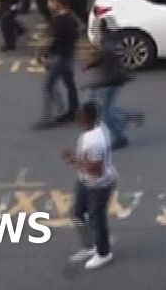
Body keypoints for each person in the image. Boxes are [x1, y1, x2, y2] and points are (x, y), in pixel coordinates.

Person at [62, 100, 116, 270]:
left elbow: (96, 171)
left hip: (99, 185)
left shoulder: (94, 142)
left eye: (79, 116)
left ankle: (103, 253)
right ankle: (90, 245)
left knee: (96, 218)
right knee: (77, 213)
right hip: (85, 181)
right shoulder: (97, 127)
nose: (76, 118)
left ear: (86, 118)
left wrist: (72, 160)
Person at [86, 18, 144, 149]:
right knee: (106, 108)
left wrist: (94, 84)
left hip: (110, 83)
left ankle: (120, 138)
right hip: (113, 82)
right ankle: (131, 117)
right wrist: (92, 65)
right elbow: (105, 61)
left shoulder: (107, 46)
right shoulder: (108, 41)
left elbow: (110, 71)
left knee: (105, 114)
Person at [37, 0, 80, 129]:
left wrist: (41, 54)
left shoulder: (59, 21)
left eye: (51, 2)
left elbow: (52, 41)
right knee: (69, 84)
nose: (49, 4)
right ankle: (73, 111)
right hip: (69, 55)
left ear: (58, 3)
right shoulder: (72, 19)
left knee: (49, 86)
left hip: (58, 57)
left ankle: (52, 117)